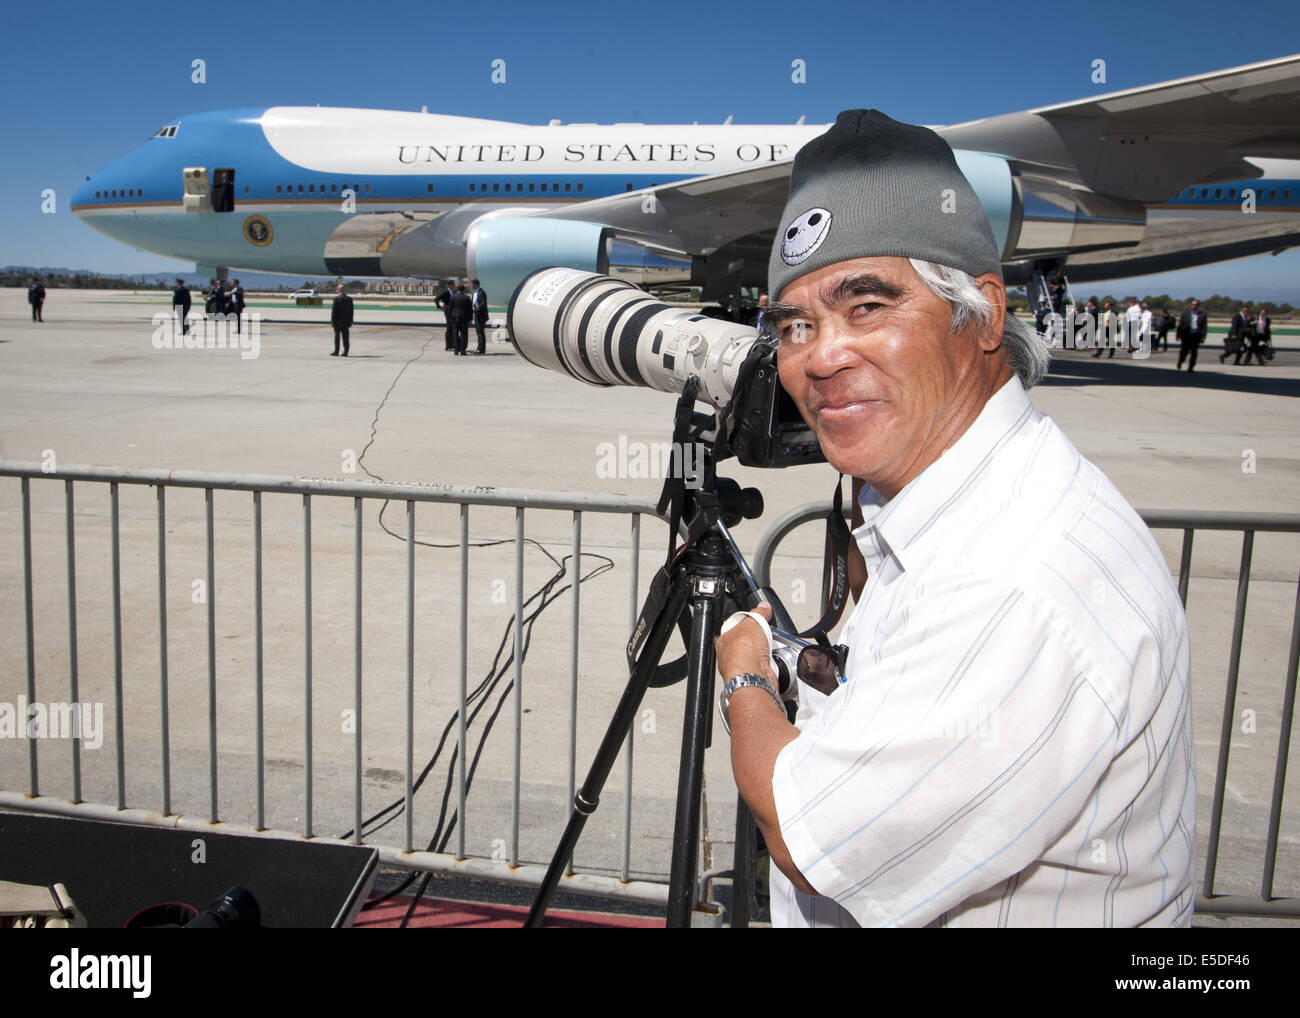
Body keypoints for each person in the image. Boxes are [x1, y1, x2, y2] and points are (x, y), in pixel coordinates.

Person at [714, 109, 1194, 928]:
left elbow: (812, 836)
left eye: (867, 306)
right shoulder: (949, 498)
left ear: (986, 315)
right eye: (795, 325)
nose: (820, 358)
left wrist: (745, 672)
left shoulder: (1012, 574)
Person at [1176, 299, 1206, 371]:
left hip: (1196, 336)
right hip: (1186, 335)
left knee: (1194, 352)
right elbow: (1180, 325)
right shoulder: (1185, 313)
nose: (1194, 306)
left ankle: (1191, 367)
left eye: (1196, 305)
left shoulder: (1202, 315)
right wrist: (1178, 334)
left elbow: (1204, 327)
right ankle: (1181, 361)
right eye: (1193, 304)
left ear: (1198, 306)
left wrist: (1203, 337)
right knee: (1184, 351)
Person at [330, 283, 354, 356]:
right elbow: (351, 311)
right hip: (346, 322)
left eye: (337, 289)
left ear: (339, 290)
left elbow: (334, 312)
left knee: (337, 337)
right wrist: (350, 321)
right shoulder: (349, 299)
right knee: (346, 337)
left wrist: (332, 321)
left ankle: (336, 351)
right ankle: (345, 351)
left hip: (337, 321)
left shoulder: (336, 299)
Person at [449, 283, 473, 355]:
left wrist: (450, 318)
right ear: (464, 290)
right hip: (464, 318)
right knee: (464, 334)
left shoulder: (453, 297)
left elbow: (450, 308)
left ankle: (456, 350)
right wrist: (470, 319)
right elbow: (470, 310)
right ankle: (463, 350)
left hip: (455, 317)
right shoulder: (467, 297)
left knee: (455, 334)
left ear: (458, 289)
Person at [436, 279, 456, 351]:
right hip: (448, 312)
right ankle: (448, 345)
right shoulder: (445, 292)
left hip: (453, 311)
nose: (454, 286)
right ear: (449, 285)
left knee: (453, 328)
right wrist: (440, 307)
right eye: (453, 284)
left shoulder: (453, 292)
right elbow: (436, 299)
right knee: (449, 328)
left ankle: (453, 344)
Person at [470, 278, 489, 354]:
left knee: (480, 332)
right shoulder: (475, 293)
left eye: (472, 284)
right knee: (478, 332)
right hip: (477, 315)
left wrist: (479, 306)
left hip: (481, 316)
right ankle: (479, 348)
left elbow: (483, 303)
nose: (471, 286)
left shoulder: (481, 292)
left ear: (476, 284)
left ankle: (481, 349)